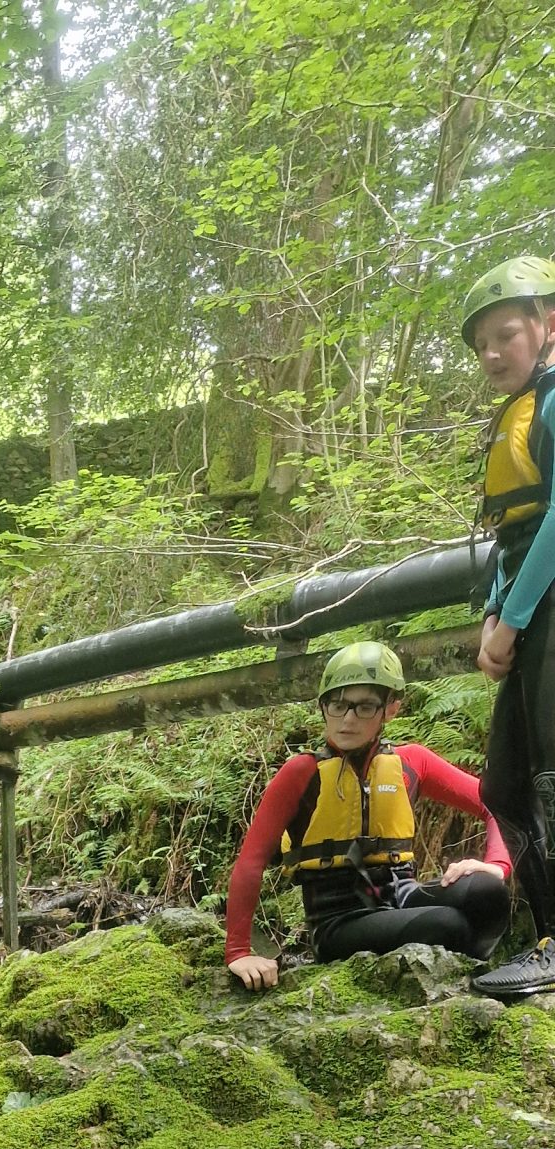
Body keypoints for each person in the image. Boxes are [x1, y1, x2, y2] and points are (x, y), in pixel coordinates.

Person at [223, 641, 512, 990]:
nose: (347, 720)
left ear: (390, 708)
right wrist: (239, 951)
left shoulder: (411, 761)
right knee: (445, 924)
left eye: (364, 707)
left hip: (403, 896)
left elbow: (498, 805)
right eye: (337, 705)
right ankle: (469, 980)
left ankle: (477, 978)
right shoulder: (301, 773)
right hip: (338, 921)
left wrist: (497, 864)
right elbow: (251, 862)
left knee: (488, 891)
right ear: (323, 706)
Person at [463, 255, 555, 998]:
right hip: (527, 605)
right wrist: (495, 610)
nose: (493, 354)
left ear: (547, 325)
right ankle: (547, 936)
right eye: (481, 344)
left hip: (549, 606)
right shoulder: (516, 411)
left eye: (506, 334)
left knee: (550, 779)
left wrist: (514, 616)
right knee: (503, 783)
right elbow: (513, 532)